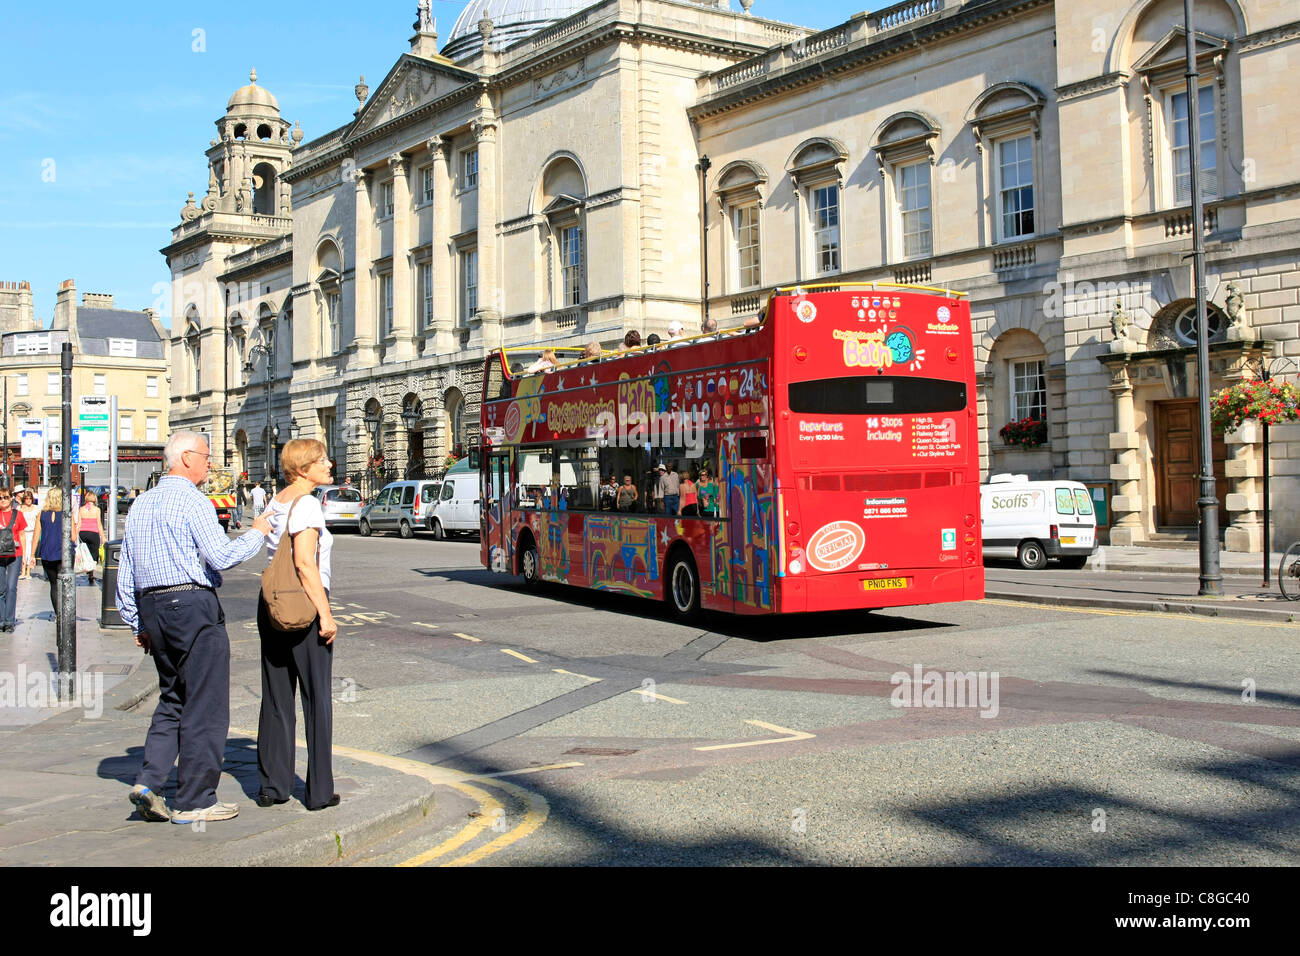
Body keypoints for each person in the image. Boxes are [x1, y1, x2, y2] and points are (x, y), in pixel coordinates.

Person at [116, 431, 272, 825]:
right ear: (185, 458)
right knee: (205, 703)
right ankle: (194, 800)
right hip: (191, 605)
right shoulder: (192, 501)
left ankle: (150, 783)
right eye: (205, 456)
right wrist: (258, 532)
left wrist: (137, 621)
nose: (210, 463)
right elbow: (220, 556)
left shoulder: (141, 504)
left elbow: (126, 571)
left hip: (153, 607)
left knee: (172, 697)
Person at [256, 438, 339, 812]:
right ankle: (320, 791)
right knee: (316, 698)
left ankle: (273, 786)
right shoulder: (307, 505)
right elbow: (306, 564)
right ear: (303, 469)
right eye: (321, 460)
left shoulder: (279, 499)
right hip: (303, 605)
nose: (329, 464)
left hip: (272, 604)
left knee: (276, 698)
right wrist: (325, 612)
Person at [31, 487, 66, 627]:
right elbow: (74, 536)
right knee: (65, 584)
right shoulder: (65, 515)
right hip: (63, 553)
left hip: (46, 553)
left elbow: (35, 537)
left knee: (54, 585)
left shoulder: (42, 514)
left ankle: (58, 613)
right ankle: (65, 612)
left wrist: (32, 555)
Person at [0, 489, 27, 632]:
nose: (2, 500)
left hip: (15, 555)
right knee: (0, 589)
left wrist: (26, 558)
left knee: (11, 587)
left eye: (5, 497)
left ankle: (9, 621)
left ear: (10, 498)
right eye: (0, 498)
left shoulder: (18, 515)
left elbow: (22, 535)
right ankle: (1, 620)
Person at [78, 491, 103, 587]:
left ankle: (86, 568)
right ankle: (91, 573)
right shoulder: (97, 510)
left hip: (83, 533)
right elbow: (99, 525)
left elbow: (79, 524)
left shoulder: (81, 509)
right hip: (93, 533)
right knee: (94, 553)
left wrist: (76, 534)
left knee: (85, 552)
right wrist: (103, 537)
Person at [18, 490, 38, 580]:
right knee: (23, 552)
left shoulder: (36, 508)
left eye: (30, 498)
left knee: (30, 552)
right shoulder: (20, 508)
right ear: (24, 499)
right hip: (23, 533)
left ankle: (28, 571)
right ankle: (22, 571)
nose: (28, 500)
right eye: (26, 498)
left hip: (32, 533)